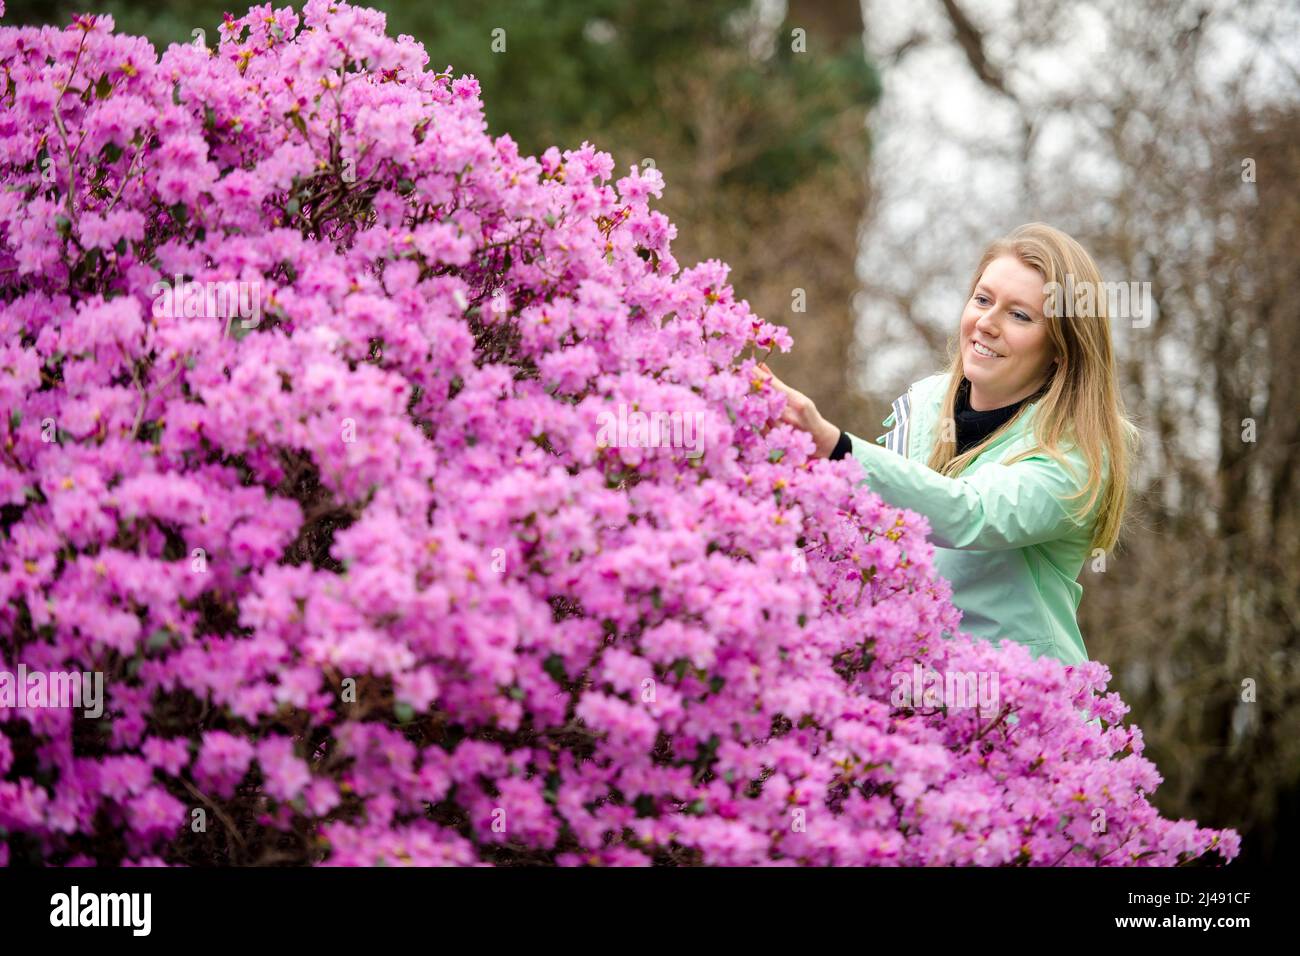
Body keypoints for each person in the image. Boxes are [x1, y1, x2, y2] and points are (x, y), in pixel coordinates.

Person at [757, 222, 1138, 666]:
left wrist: (836, 446)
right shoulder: (923, 405)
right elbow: (875, 523)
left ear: (1060, 348)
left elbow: (969, 514)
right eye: (982, 299)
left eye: (1020, 315)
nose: (987, 323)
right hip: (909, 695)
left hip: (1012, 717)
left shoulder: (1077, 452)